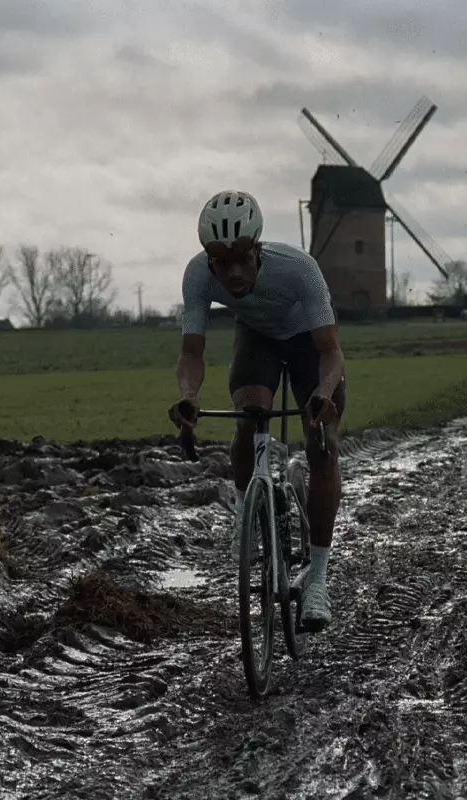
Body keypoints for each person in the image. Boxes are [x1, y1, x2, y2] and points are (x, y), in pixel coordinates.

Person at [168, 190, 346, 632]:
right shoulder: (197, 275)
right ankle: (248, 505)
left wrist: (323, 395)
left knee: (322, 447)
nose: (232, 272)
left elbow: (332, 353)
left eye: (242, 258)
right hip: (259, 338)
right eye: (220, 261)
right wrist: (188, 395)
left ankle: (318, 580)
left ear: (258, 248)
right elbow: (192, 352)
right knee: (248, 418)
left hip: (309, 344)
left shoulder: (299, 269)